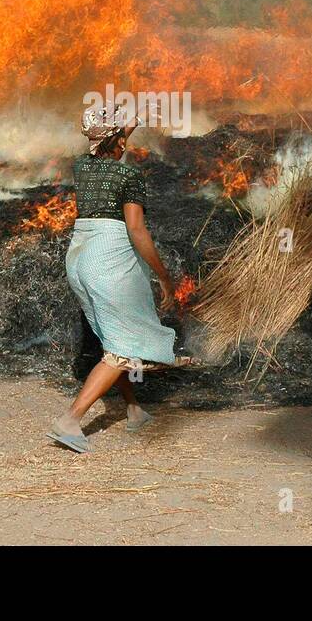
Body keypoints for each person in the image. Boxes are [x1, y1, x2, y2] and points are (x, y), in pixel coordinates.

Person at [49, 105, 190, 453]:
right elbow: (136, 230)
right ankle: (70, 420)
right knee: (121, 350)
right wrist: (164, 277)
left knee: (113, 338)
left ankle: (133, 410)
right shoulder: (129, 177)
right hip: (108, 262)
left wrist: (136, 114)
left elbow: (113, 141)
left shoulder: (83, 166)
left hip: (79, 259)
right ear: (116, 139)